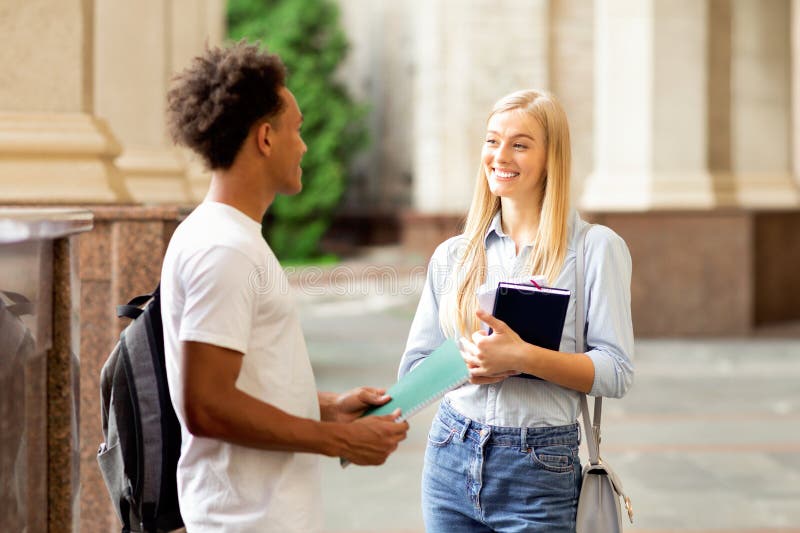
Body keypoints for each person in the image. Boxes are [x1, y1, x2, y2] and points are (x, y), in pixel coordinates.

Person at [161, 41, 409, 533]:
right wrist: (336, 441)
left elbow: (244, 379)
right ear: (266, 138)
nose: (305, 146)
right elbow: (206, 404)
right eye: (297, 130)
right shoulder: (224, 250)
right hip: (245, 522)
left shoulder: (229, 237)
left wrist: (329, 408)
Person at [398, 89, 635, 532]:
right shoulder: (454, 254)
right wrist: (467, 365)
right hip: (450, 455)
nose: (499, 156)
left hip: (540, 468)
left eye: (520, 144)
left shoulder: (594, 250)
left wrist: (523, 357)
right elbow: (413, 369)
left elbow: (617, 370)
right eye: (492, 141)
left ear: (551, 158)